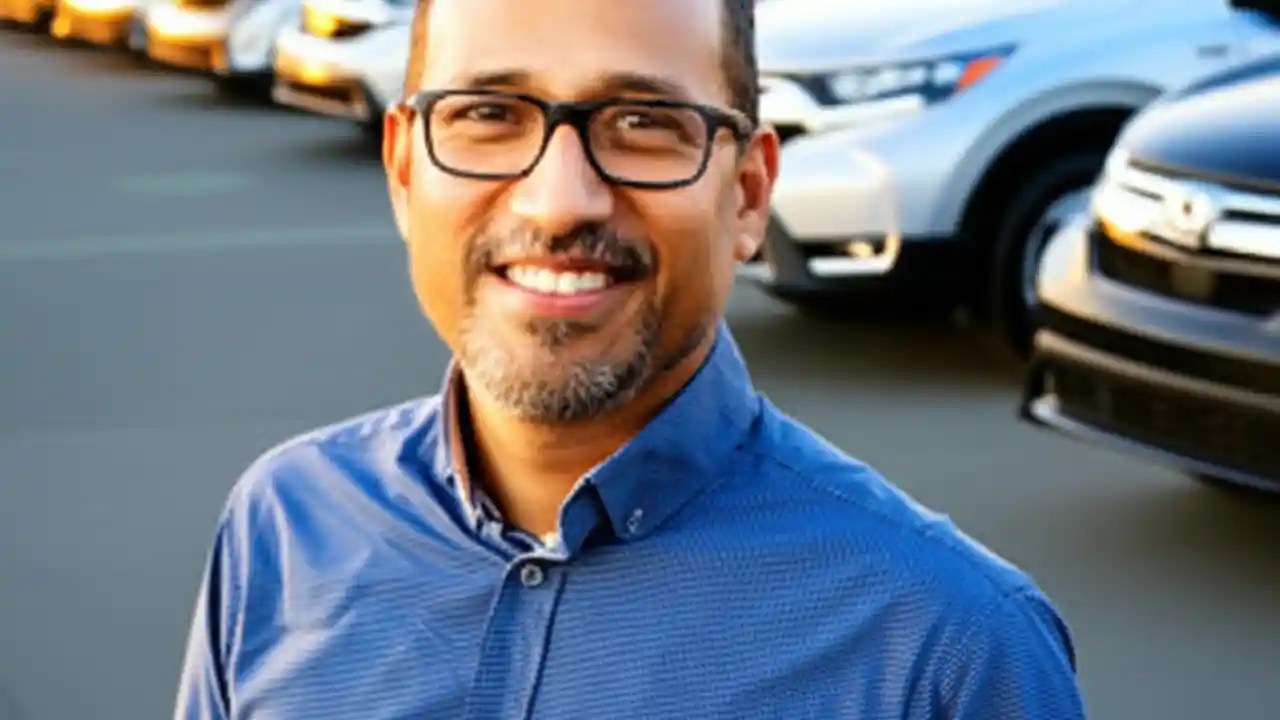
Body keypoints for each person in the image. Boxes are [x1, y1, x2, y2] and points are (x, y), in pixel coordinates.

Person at [173, 0, 1087, 717]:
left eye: (643, 122)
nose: (559, 201)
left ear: (749, 195)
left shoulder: (949, 650)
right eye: (488, 113)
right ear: (406, 171)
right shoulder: (284, 527)